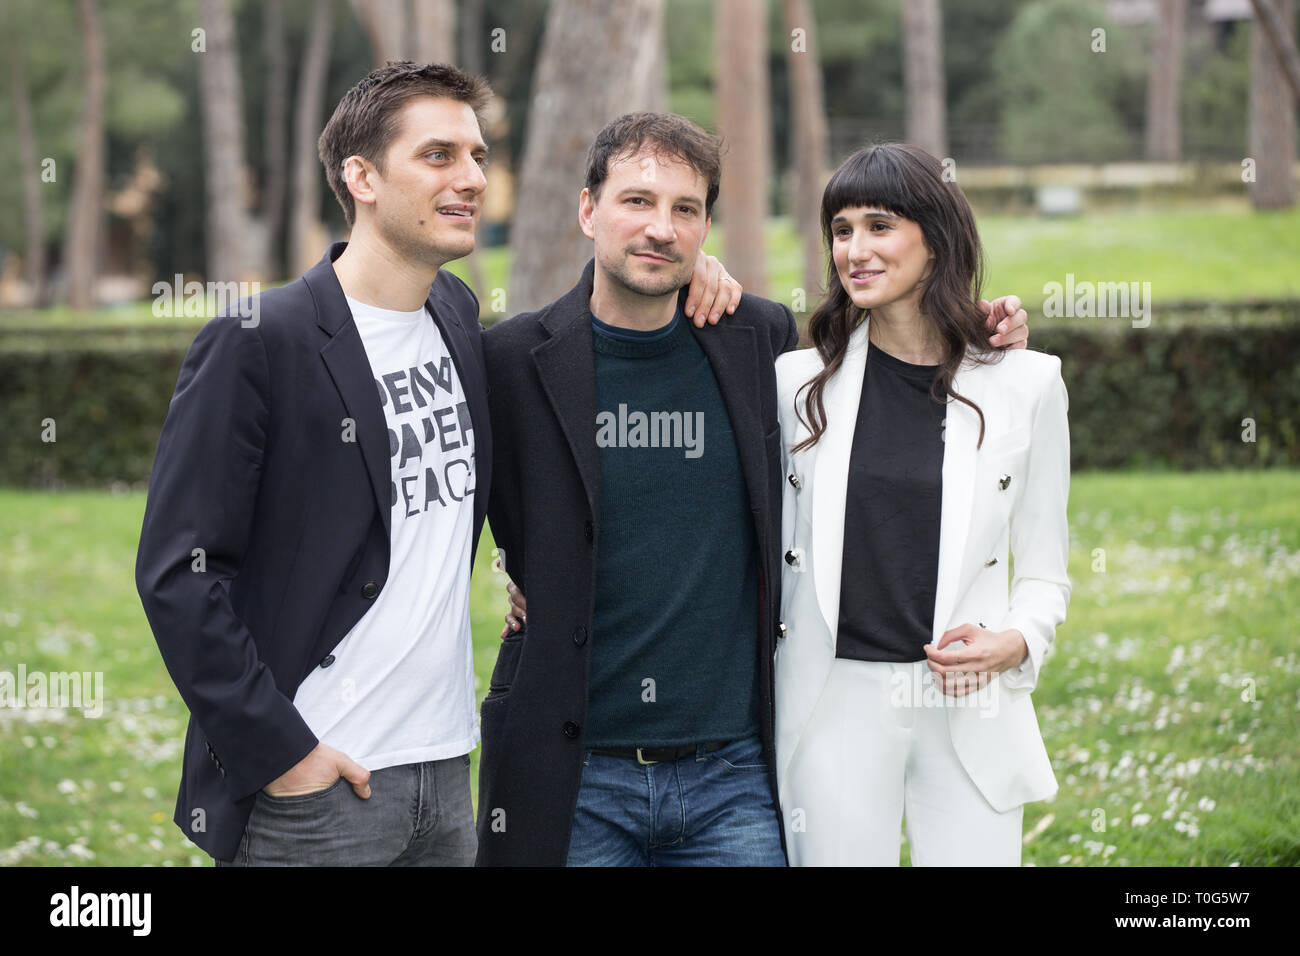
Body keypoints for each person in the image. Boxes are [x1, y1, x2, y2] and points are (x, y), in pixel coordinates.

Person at [134, 62, 741, 867]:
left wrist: (683, 261)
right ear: (361, 177)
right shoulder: (260, 338)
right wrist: (279, 752)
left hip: (449, 775)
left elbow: (586, 335)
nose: (472, 179)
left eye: (479, 156)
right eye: (438, 156)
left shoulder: (456, 317)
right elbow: (177, 573)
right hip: (320, 782)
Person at [480, 114, 1033, 866]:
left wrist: (983, 339)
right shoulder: (510, 361)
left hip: (732, 778)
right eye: (637, 202)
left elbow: (893, 390)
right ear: (587, 210)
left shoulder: (759, 343)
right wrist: (511, 571)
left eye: (685, 210)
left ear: (707, 226)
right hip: (574, 774)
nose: (661, 229)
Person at [772, 142, 1071, 866]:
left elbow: (1044, 568)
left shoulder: (1028, 385)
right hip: (832, 704)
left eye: (880, 226)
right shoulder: (795, 384)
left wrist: (1018, 641)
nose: (855, 250)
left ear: (935, 241)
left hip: (970, 700)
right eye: (841, 230)